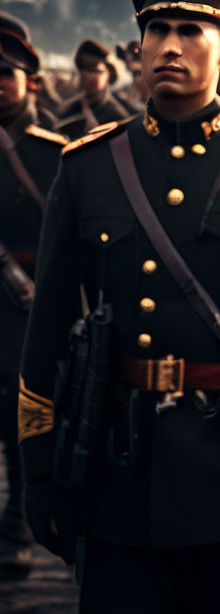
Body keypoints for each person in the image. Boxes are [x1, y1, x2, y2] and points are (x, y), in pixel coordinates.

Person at [19, 0, 220, 613]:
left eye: (191, 31)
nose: (170, 47)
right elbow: (49, 331)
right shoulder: (88, 167)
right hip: (121, 470)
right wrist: (39, 473)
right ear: (137, 48)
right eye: (157, 31)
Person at [0, 29, 66, 576]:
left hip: (30, 305)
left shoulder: (53, 155)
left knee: (21, 412)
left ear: (31, 82)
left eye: (6, 74)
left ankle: (19, 518)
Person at [55, 40, 134, 139]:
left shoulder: (119, 115)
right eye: (84, 68)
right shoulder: (68, 110)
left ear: (109, 73)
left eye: (94, 69)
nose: (87, 75)